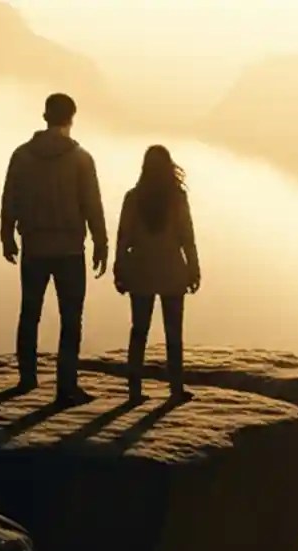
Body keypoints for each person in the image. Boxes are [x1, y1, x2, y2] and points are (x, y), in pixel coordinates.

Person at [0, 93, 109, 406]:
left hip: (34, 247)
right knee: (70, 318)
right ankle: (66, 386)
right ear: (71, 118)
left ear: (44, 115)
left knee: (29, 313)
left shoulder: (21, 155)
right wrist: (101, 242)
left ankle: (27, 378)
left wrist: (7, 235)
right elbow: (92, 204)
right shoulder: (81, 158)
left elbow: (10, 198)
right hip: (70, 250)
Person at [114, 145, 201, 404]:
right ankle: (176, 388)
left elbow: (123, 237)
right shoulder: (177, 198)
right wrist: (194, 268)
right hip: (172, 269)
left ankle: (135, 390)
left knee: (139, 330)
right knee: (174, 333)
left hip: (140, 268)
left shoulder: (133, 197)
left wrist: (119, 268)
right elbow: (187, 236)